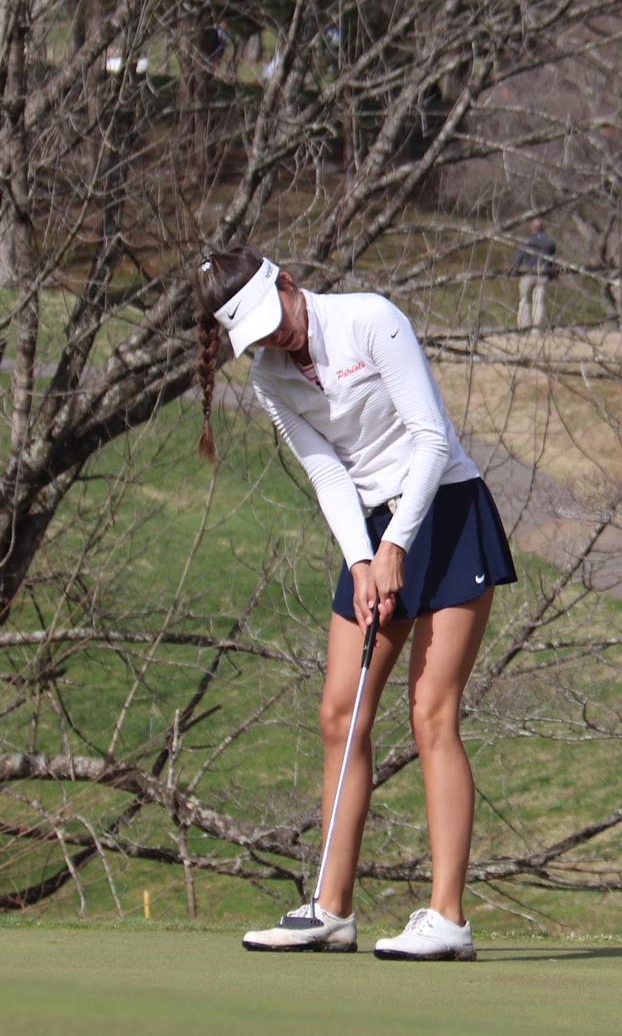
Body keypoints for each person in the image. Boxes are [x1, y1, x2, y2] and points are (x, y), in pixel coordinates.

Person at [191, 250, 517, 961]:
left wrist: (398, 542)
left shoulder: (372, 320)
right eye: (256, 334)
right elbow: (327, 472)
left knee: (431, 711)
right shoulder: (270, 377)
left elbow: (431, 436)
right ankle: (332, 908)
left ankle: (448, 918)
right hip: (371, 529)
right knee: (340, 710)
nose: (274, 339)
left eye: (273, 319)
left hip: (448, 509)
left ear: (287, 283)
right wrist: (362, 559)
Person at [509, 218, 556, 332]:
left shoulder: (526, 241)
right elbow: (552, 261)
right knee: (539, 301)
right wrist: (553, 275)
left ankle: (524, 326)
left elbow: (518, 257)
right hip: (543, 273)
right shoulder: (549, 242)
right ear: (542, 228)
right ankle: (537, 329)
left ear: (531, 228)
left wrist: (513, 272)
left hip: (528, 273)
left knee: (524, 300)